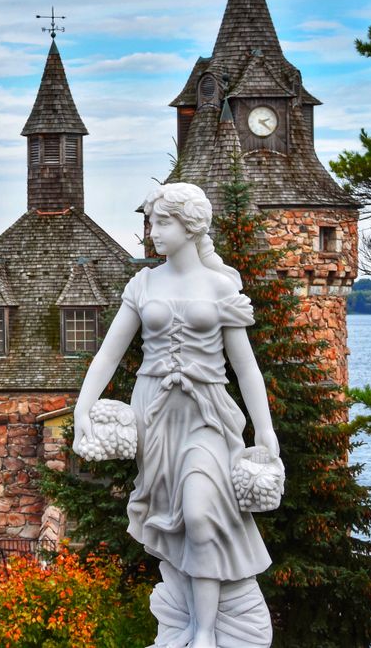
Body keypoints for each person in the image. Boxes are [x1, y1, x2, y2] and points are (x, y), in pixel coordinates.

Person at [74, 182, 279, 648]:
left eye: (162, 222)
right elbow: (107, 355)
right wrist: (83, 410)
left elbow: (245, 368)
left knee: (202, 514)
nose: (153, 232)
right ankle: (188, 624)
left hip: (208, 415)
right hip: (155, 416)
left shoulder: (221, 286)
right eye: (151, 222)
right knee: (176, 523)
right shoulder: (143, 284)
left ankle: (206, 633)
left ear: (191, 226)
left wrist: (264, 429)